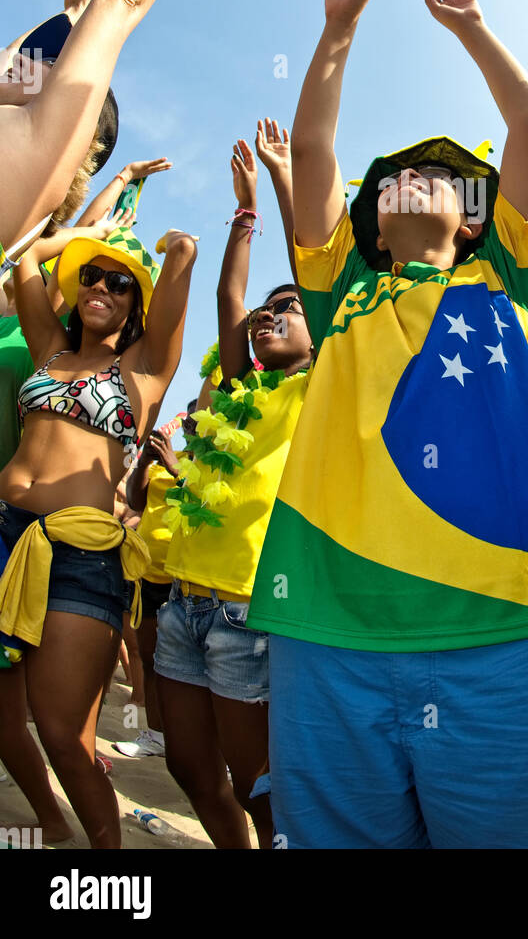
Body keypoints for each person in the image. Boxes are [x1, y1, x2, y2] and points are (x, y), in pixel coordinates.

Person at [248, 0, 528, 850]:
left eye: (445, 178)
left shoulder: (505, 282)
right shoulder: (339, 295)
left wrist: (473, 28)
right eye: (391, 180)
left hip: (513, 622)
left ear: (475, 218)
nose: (411, 180)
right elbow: (310, 149)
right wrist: (337, 28)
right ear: (368, 222)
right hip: (330, 623)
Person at [0, 222, 198, 849]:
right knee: (5, 722)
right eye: (91, 276)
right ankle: (52, 824)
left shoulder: (141, 369)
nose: (101, 288)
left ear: (134, 304)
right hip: (6, 537)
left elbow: (183, 265)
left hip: (80, 556)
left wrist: (170, 252)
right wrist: (88, 235)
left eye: (118, 284)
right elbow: (23, 258)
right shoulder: (49, 349)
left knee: (61, 731)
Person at [154, 123, 313, 850]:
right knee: (190, 765)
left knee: (259, 784)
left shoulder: (320, 389)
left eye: (295, 309)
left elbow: (322, 277)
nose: (276, 313)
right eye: (269, 309)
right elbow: (229, 293)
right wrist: (244, 213)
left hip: (247, 611)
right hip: (181, 599)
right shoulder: (239, 385)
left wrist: (282, 182)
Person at [0, 0, 217, 261]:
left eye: (50, 62)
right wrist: (72, 11)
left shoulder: (33, 152)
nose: (24, 59)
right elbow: (10, 55)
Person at [114, 426, 181, 759]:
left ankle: (218, 752)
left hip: (187, 581)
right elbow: (136, 501)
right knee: (151, 660)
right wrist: (144, 463)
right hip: (149, 578)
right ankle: (155, 736)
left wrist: (177, 470)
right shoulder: (165, 463)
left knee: (195, 673)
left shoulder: (221, 465)